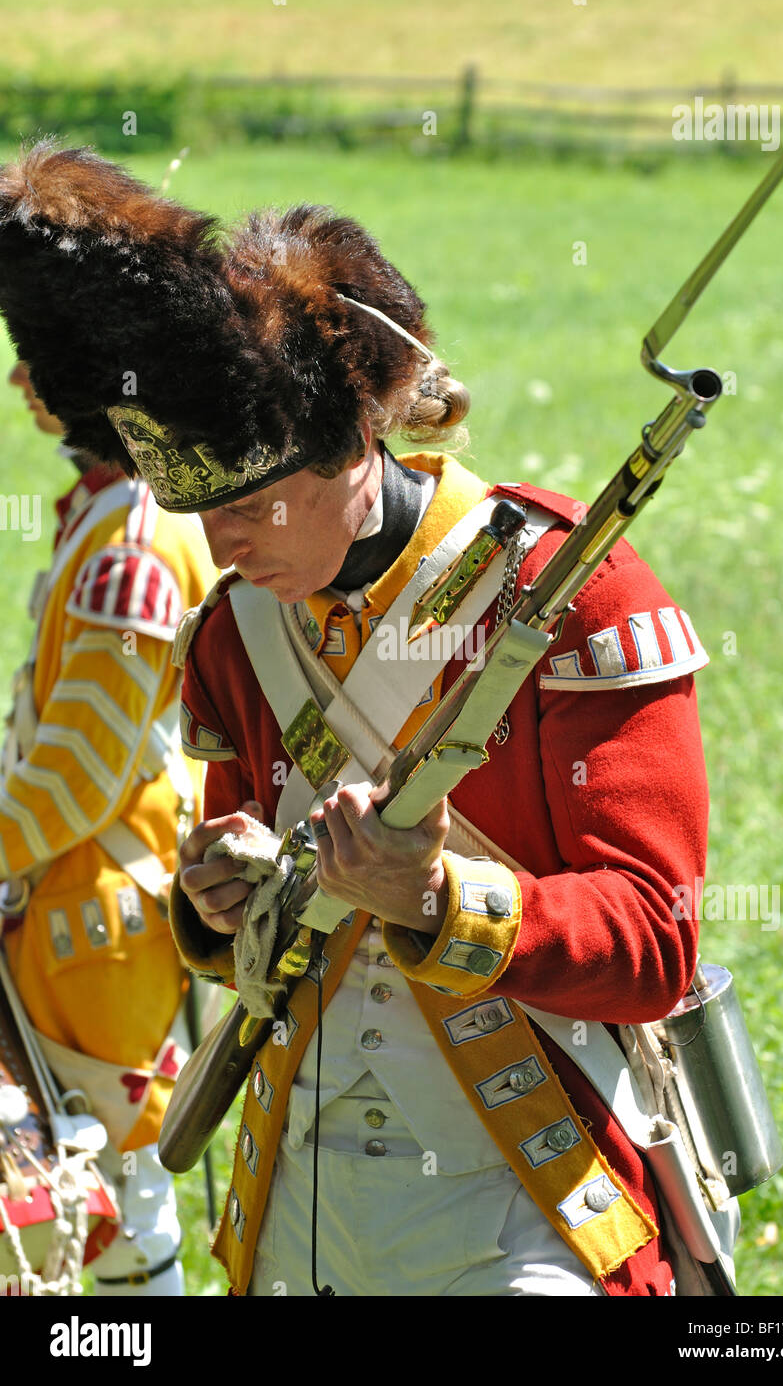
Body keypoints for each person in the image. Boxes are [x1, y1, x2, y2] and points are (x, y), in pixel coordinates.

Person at [0, 141, 727, 1297]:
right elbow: (249, 913)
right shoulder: (238, 635)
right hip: (294, 1192)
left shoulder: (568, 589)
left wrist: (435, 901)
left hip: (524, 1192)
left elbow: (652, 940)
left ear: (351, 444)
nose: (219, 545)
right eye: (195, 513)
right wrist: (218, 896)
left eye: (247, 506)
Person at [0, 357, 217, 1295]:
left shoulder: (130, 542)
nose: (17, 377)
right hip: (77, 904)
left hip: (90, 923)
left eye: (39, 357)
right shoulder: (116, 514)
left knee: (114, 1214)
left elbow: (77, 779)